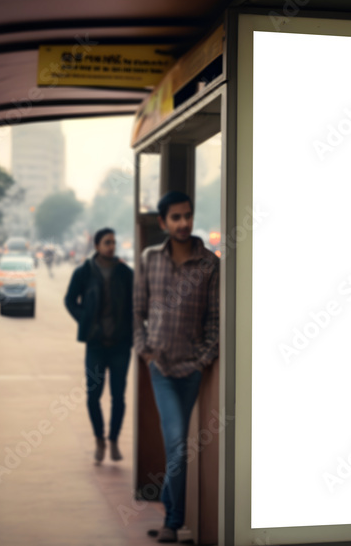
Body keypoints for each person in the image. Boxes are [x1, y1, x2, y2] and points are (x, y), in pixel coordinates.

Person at [134, 191, 219, 543]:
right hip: (162, 370)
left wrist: (203, 359)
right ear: (163, 222)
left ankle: (170, 510)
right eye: (176, 217)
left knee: (177, 446)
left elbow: (215, 319)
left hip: (192, 370)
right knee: (177, 445)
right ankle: (173, 521)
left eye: (188, 215)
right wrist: (145, 351)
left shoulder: (209, 264)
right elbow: (137, 311)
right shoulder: (150, 259)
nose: (184, 223)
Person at [64, 228, 134, 463]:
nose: (112, 246)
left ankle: (113, 440)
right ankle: (99, 439)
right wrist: (85, 321)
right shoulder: (84, 272)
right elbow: (69, 300)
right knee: (93, 396)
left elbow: (136, 303)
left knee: (118, 396)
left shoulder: (125, 273)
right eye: (107, 242)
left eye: (114, 242)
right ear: (97, 246)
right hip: (95, 345)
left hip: (120, 345)